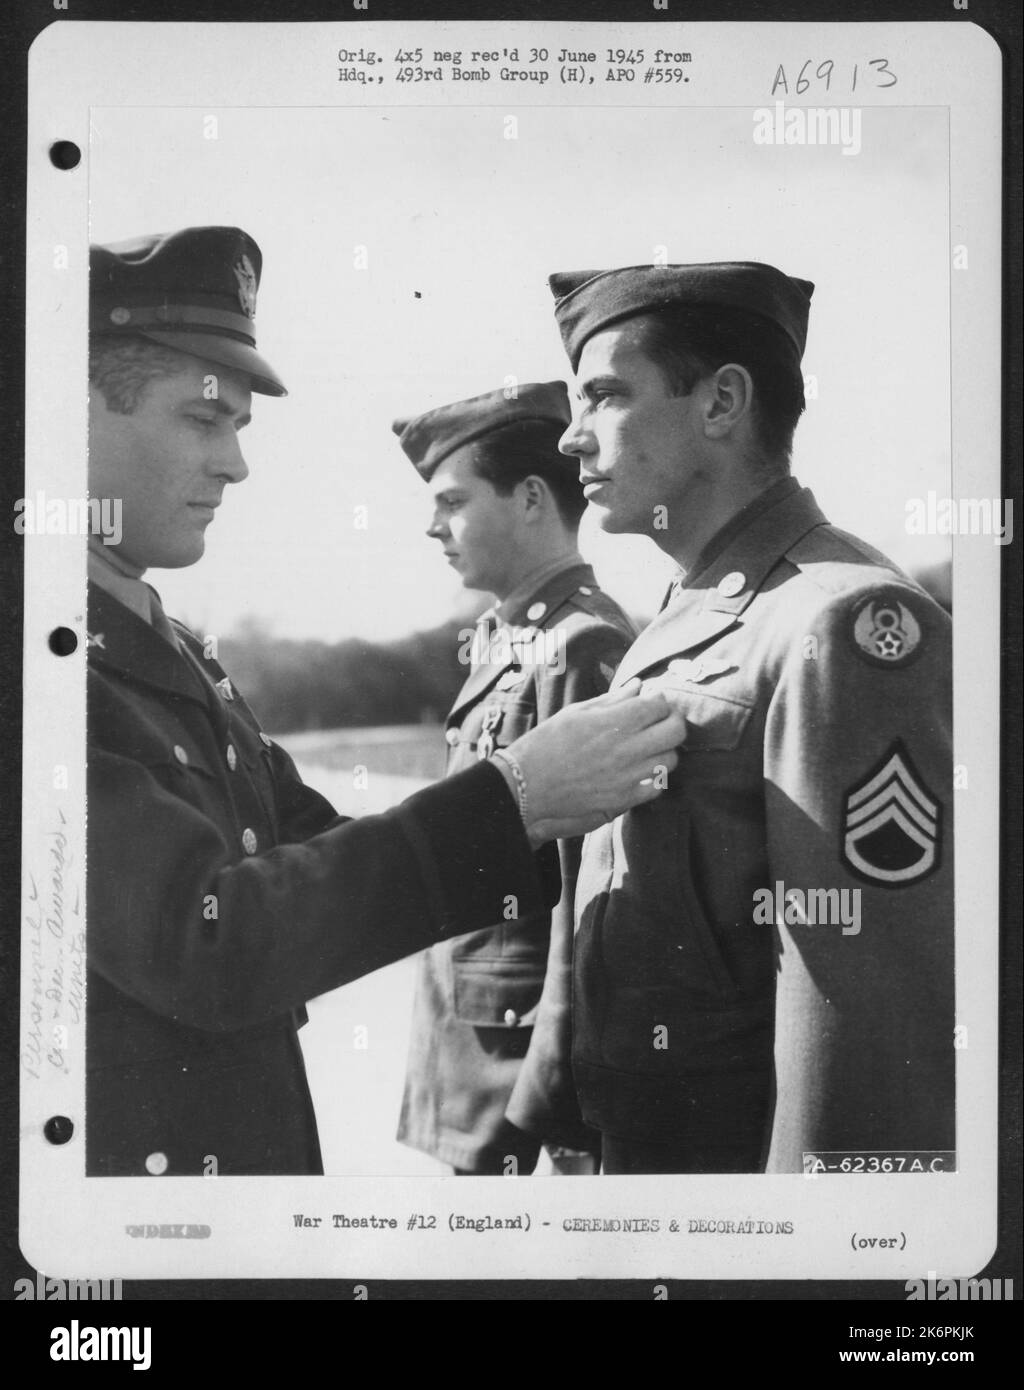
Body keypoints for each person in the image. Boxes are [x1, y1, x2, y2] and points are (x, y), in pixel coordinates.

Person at [82, 227, 687, 1177]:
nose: (236, 464)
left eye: (239, 426)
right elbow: (210, 936)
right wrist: (514, 797)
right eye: (204, 420)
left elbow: (309, 843)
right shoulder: (51, 663)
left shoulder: (165, 641)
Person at [542, 260, 954, 1174]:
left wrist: (811, 1253)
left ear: (723, 402)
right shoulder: (691, 610)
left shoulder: (838, 622)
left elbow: (866, 1012)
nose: (570, 439)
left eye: (603, 396)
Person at [392, 384, 636, 1175]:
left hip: (521, 1077)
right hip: (472, 1049)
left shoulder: (581, 643)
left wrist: (550, 1097)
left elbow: (592, 900)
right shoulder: (505, 636)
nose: (434, 526)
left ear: (532, 498)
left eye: (453, 502)